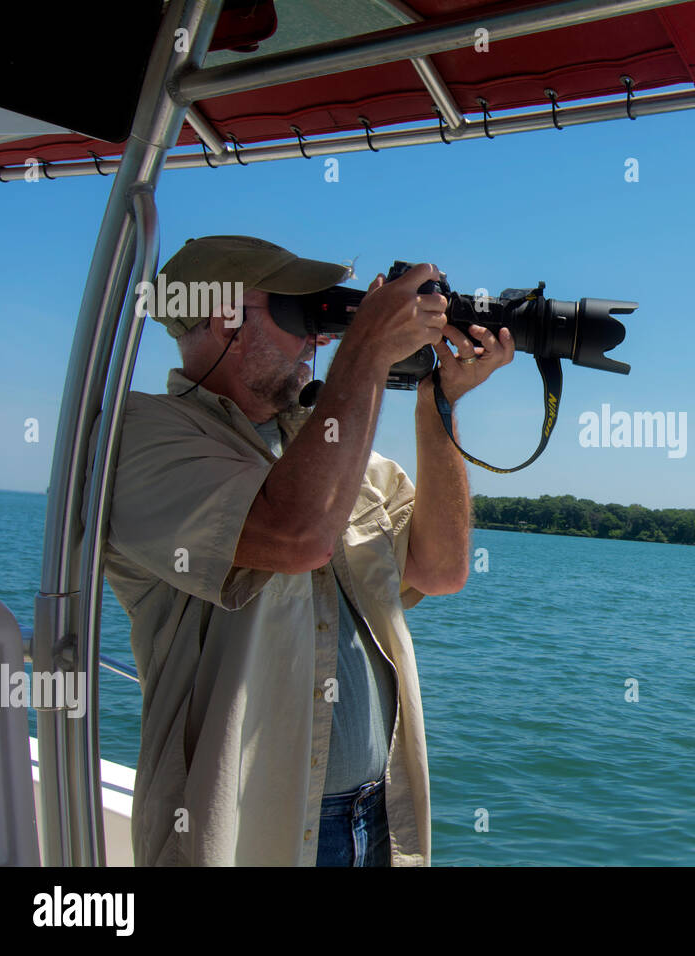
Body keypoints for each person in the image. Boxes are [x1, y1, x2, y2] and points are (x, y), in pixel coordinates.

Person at [96, 235, 513, 866]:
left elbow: (441, 569)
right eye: (300, 313)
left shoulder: (330, 447)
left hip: (376, 813)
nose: (319, 339)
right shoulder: (138, 435)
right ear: (225, 317)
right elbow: (295, 536)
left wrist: (439, 404)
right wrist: (366, 350)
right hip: (252, 828)